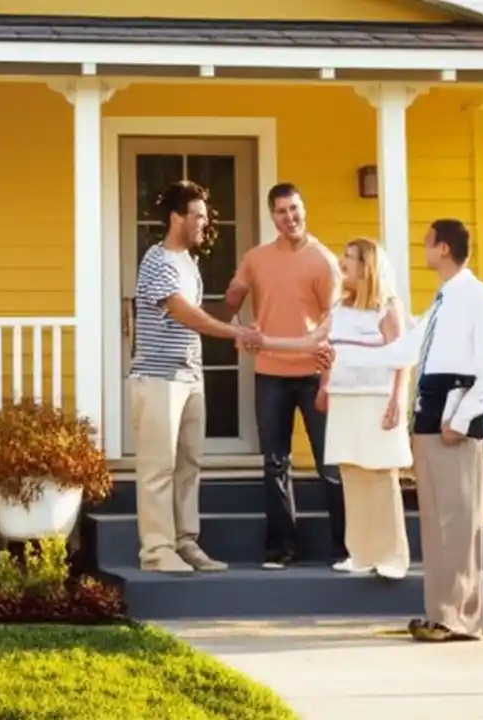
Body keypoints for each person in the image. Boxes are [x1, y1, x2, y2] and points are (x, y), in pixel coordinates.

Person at [324, 219, 483, 641]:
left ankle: (459, 618)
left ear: (443, 248)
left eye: (427, 242)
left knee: (459, 521)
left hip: (454, 421)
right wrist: (344, 362)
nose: (422, 248)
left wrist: (460, 420)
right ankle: (441, 614)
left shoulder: (480, 299)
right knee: (437, 523)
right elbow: (406, 350)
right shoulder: (441, 302)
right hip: (430, 419)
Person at [129, 181, 326, 575]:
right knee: (158, 468)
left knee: (188, 464)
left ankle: (185, 542)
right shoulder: (158, 260)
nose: (205, 223)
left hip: (189, 375)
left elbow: (208, 313)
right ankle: (156, 550)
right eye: (198, 215)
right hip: (157, 377)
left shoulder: (189, 263)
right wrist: (238, 333)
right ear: (176, 218)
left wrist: (236, 319)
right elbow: (185, 313)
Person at [223, 183, 344, 570]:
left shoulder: (323, 261)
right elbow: (232, 302)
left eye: (294, 209)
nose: (289, 218)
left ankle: (345, 546)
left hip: (313, 375)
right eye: (281, 211)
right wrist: (237, 313)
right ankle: (280, 548)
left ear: (303, 209)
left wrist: (326, 378)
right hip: (270, 374)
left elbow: (334, 324)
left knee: (330, 462)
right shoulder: (256, 258)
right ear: (271, 216)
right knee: (275, 462)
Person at [317, 238, 412, 580]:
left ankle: (392, 557)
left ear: (366, 265)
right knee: (352, 473)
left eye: (349, 257)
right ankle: (359, 554)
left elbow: (402, 358)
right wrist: (324, 384)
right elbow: (320, 345)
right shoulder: (339, 309)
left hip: (376, 399)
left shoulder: (388, 307)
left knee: (380, 475)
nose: (342, 261)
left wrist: (397, 400)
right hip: (345, 400)